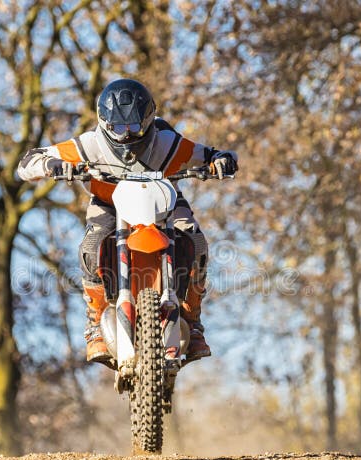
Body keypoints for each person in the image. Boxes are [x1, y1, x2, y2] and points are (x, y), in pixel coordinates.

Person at [17, 78, 238, 369]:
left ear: (149, 120)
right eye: (118, 128)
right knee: (91, 246)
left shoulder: (168, 142)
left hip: (163, 200)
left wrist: (221, 161)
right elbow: (26, 162)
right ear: (103, 122)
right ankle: (95, 322)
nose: (126, 136)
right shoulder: (89, 145)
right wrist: (51, 165)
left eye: (134, 127)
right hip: (109, 203)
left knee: (196, 242)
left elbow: (211, 154)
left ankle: (192, 319)